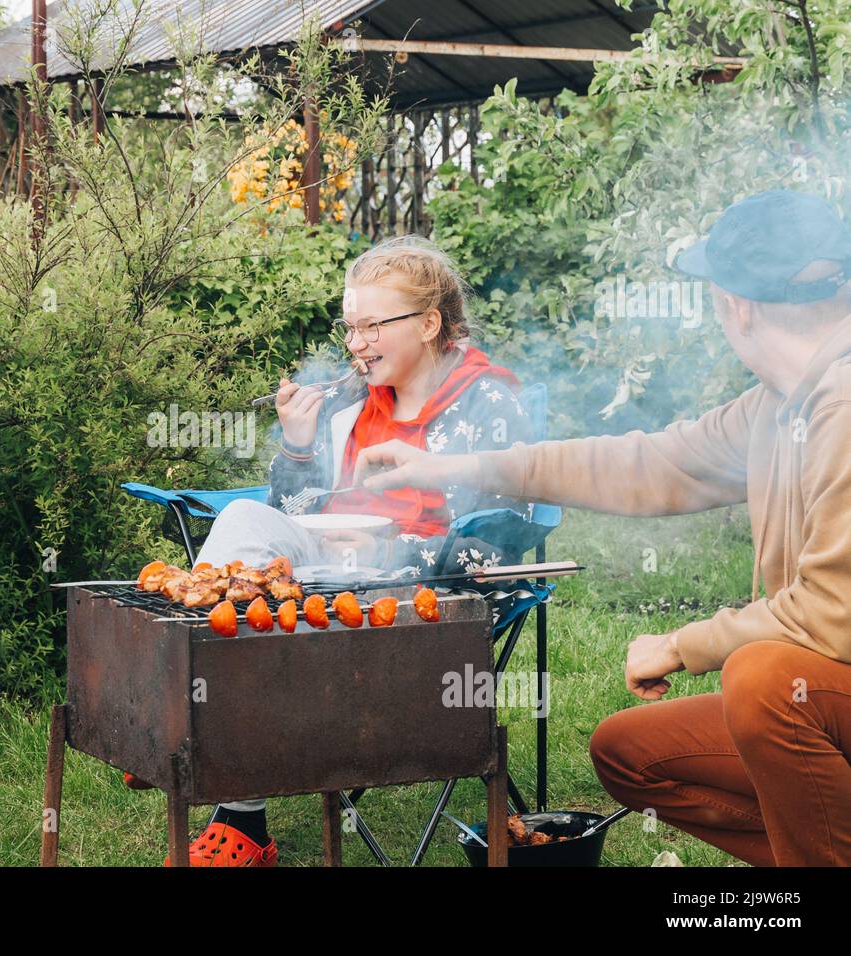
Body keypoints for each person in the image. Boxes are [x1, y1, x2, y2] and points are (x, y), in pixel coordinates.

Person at [356, 190, 851, 867]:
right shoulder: (781, 404)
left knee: (764, 679)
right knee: (632, 754)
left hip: (825, 679)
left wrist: (682, 643)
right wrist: (449, 464)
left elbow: (834, 614)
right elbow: (645, 463)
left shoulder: (843, 406)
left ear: (734, 305)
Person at [176, 235, 535, 866]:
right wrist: (295, 443)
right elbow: (296, 512)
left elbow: (499, 538)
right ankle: (187, 708)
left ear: (429, 324)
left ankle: (227, 789)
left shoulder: (489, 404)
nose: (356, 344)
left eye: (373, 326)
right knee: (242, 517)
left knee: (282, 596)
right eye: (351, 327)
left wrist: (386, 555)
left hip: (424, 591)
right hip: (327, 570)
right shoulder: (349, 401)